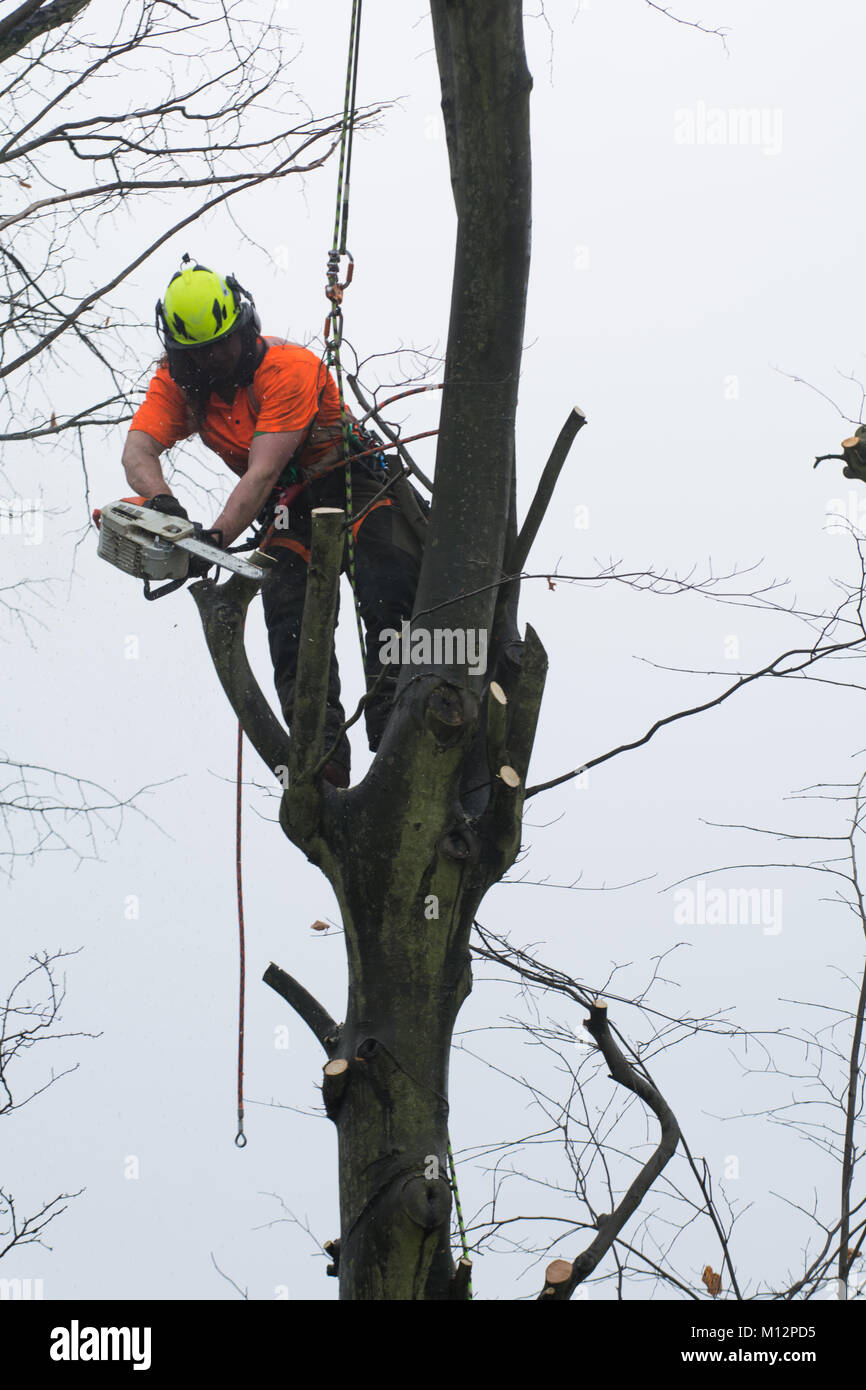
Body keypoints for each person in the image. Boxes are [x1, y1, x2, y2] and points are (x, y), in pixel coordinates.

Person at [121, 255, 423, 787]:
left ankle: (399, 727)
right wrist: (163, 503)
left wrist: (212, 539)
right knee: (290, 618)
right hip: (288, 507)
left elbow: (260, 473)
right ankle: (319, 752)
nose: (213, 362)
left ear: (244, 327)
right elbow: (138, 451)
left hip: (355, 482)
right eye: (198, 356)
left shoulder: (288, 369)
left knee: (388, 585)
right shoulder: (177, 385)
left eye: (222, 346)